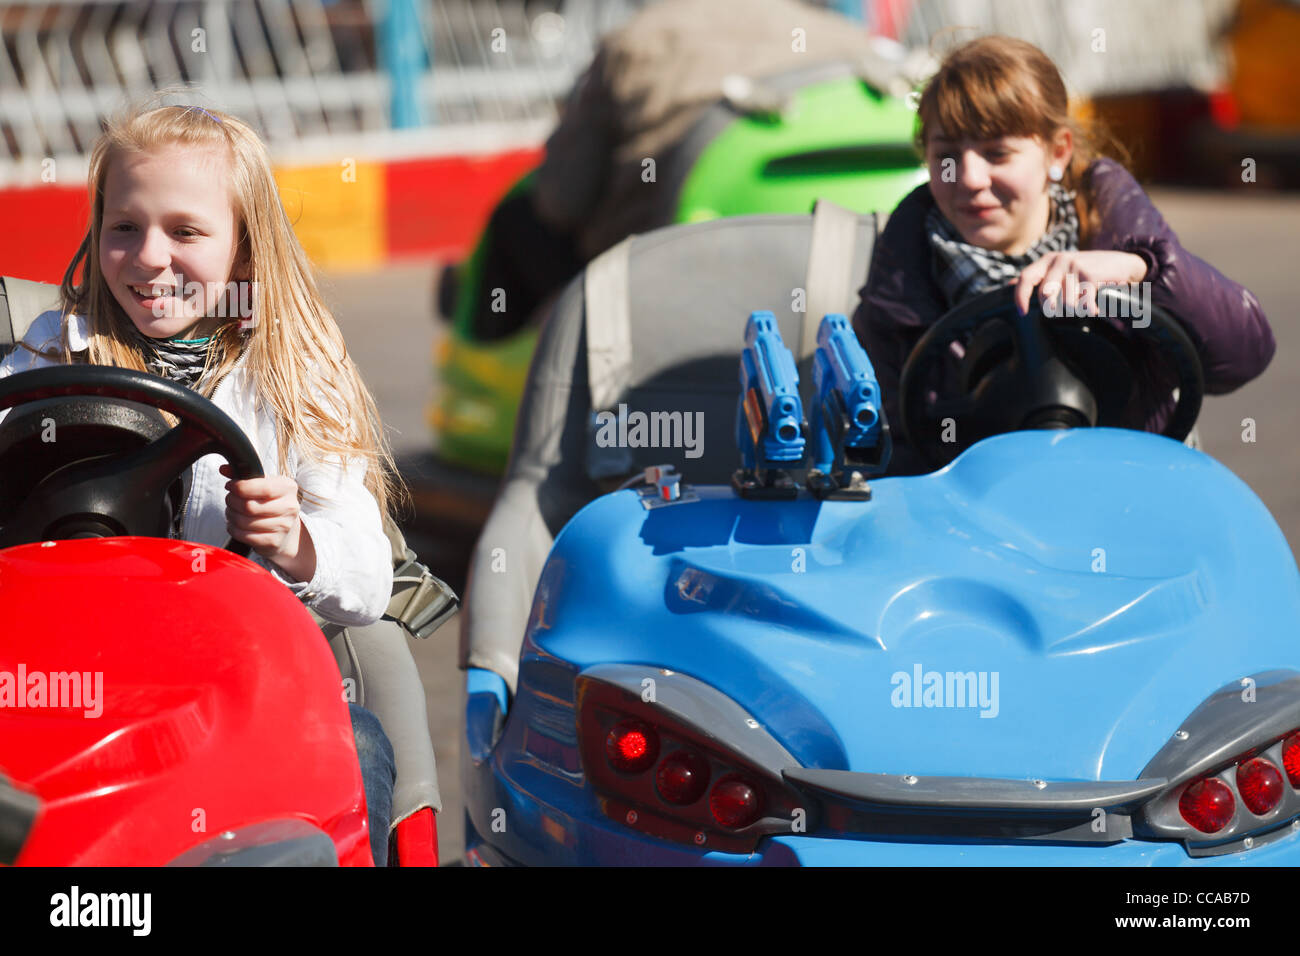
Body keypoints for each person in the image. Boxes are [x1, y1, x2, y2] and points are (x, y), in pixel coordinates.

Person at [0, 102, 400, 865]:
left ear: (245, 250)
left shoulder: (298, 371)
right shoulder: (43, 359)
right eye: (124, 227)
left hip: (247, 685)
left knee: (359, 744)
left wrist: (294, 539)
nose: (149, 257)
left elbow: (368, 584)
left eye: (185, 232)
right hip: (69, 678)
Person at [851, 35, 1276, 474]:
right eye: (947, 155)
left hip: (1132, 502)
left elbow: (1246, 354)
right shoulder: (899, 283)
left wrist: (1140, 271)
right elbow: (887, 458)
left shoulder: (1117, 229)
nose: (971, 178)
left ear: (1058, 153)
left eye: (997, 153)